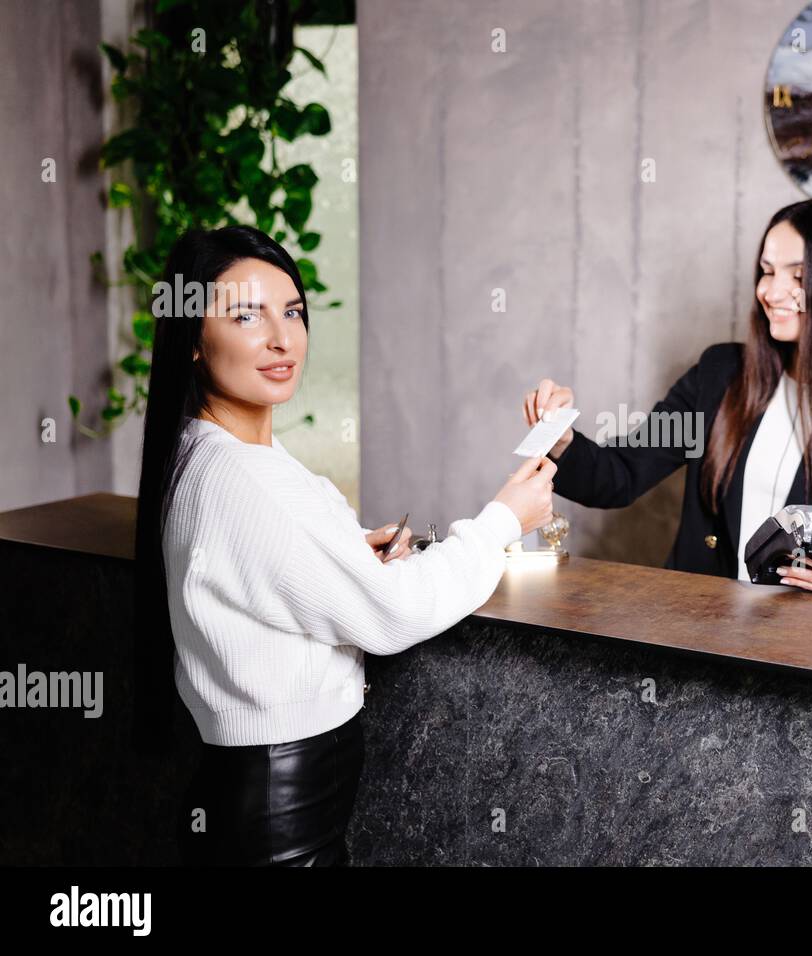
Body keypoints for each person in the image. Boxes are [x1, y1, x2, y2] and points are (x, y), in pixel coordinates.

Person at [132, 225, 555, 866]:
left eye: (293, 312)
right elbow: (395, 614)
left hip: (256, 793)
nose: (282, 338)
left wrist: (345, 547)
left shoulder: (203, 452)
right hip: (281, 809)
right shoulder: (244, 478)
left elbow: (256, 560)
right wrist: (503, 520)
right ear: (193, 337)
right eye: (246, 315)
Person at [524, 198, 812, 601]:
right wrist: (561, 437)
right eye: (767, 271)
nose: (771, 291)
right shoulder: (719, 374)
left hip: (810, 650)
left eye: (798, 276)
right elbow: (619, 476)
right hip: (698, 633)